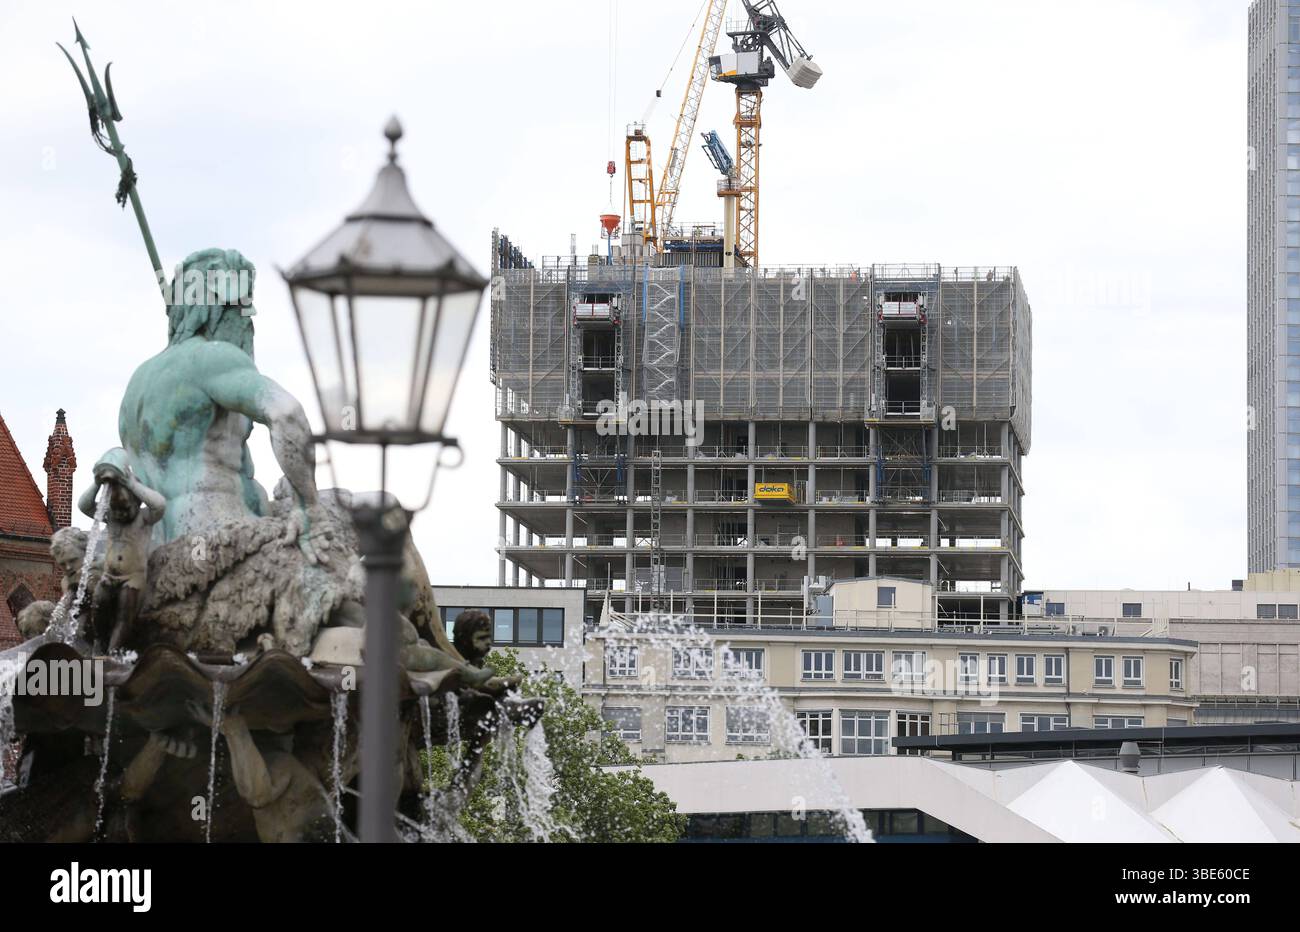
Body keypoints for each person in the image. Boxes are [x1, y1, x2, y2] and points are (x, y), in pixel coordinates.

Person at [79, 455, 166, 654]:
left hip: (132, 578)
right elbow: (84, 506)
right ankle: (99, 644)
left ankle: (113, 651)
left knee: (124, 614)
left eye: (125, 508)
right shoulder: (111, 517)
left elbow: (159, 504)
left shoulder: (144, 518)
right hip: (108, 576)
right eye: (116, 509)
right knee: (98, 605)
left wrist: (131, 484)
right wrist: (97, 483)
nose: (121, 513)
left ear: (137, 502)